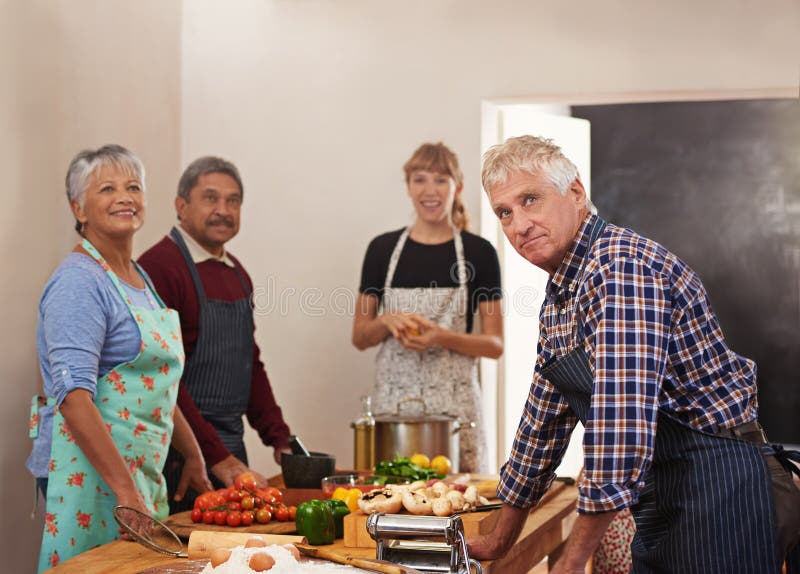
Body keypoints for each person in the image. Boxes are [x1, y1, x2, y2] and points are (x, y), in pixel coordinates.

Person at [467, 135, 800, 573]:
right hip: (663, 495)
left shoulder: (619, 268)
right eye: (504, 212)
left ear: (576, 193)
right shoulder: (561, 295)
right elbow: (542, 424)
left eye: (531, 199)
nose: (519, 224)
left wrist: (572, 563)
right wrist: (497, 540)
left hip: (719, 490)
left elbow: (620, 427)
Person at [27, 145, 211, 571]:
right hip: (95, 478)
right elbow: (72, 394)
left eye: (133, 187)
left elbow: (160, 382)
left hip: (140, 473)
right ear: (79, 207)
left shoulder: (138, 278)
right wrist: (125, 492)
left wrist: (192, 452)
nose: (125, 197)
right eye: (107, 188)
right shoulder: (78, 282)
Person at [138, 156, 291, 512]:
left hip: (230, 448)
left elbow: (248, 362)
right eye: (210, 198)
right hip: (179, 453)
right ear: (181, 206)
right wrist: (213, 455)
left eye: (233, 200)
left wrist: (281, 439)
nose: (223, 210)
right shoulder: (159, 268)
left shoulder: (237, 273)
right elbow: (164, 379)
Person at [352, 142, 503, 473]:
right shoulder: (382, 250)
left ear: (457, 187)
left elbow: (495, 345)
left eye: (440, 180)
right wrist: (386, 321)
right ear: (408, 187)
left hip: (456, 412)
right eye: (420, 180)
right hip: (394, 411)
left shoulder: (479, 253)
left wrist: (439, 337)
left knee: (461, 507)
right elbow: (360, 337)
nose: (430, 190)